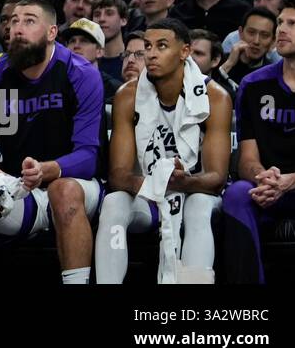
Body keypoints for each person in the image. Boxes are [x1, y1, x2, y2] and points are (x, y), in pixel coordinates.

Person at [0, 0, 104, 284]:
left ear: (52, 32)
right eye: (13, 21)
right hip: (19, 190)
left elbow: (88, 156)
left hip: (75, 186)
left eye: (29, 21)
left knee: (63, 191)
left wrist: (47, 169)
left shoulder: (80, 74)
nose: (17, 28)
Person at [95, 19, 232, 283]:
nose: (152, 53)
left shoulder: (215, 97)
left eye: (162, 46)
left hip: (197, 192)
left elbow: (216, 178)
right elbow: (119, 176)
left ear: (184, 52)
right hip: (148, 193)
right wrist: (158, 182)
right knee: (113, 203)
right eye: (147, 46)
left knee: (198, 207)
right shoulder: (127, 96)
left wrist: (185, 181)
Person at [223, 0, 295, 283]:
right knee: (238, 192)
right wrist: (263, 178)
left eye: (292, 23)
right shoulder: (253, 85)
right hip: (268, 189)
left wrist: (291, 181)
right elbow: (247, 159)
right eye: (280, 22)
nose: (281, 30)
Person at [223, 7, 281, 85]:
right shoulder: (220, 62)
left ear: (273, 40)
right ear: (241, 33)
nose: (256, 41)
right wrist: (228, 64)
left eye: (264, 35)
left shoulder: (273, 75)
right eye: (251, 32)